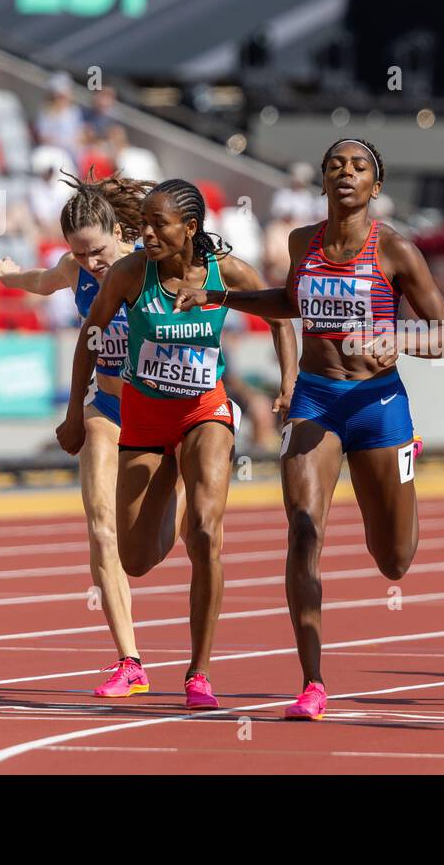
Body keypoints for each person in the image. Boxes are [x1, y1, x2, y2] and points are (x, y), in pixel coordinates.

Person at [174, 138, 444, 720]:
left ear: (375, 188)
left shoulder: (397, 252)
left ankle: (406, 464)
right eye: (335, 167)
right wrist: (219, 296)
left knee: (394, 560)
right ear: (324, 182)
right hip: (316, 400)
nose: (345, 174)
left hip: (379, 405)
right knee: (304, 531)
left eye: (358, 168)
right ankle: (312, 681)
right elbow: (286, 301)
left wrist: (401, 339)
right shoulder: (301, 243)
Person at [58, 178, 297, 709]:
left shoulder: (224, 272)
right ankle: (177, 484)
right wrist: (76, 412)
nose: (145, 233)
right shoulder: (128, 274)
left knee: (207, 534)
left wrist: (289, 382)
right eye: (141, 223)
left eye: (156, 225)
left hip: (202, 411)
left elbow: (279, 308)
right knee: (137, 558)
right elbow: (89, 338)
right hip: (144, 420)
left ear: (189, 228)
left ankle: (198, 673)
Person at [0, 172, 161, 696]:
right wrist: (10, 276)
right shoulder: (74, 268)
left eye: (98, 251)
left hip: (159, 408)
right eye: (81, 255)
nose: (93, 264)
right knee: (100, 525)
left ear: (118, 231)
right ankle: (130, 660)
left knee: (163, 538)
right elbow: (44, 281)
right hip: (105, 405)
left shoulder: (148, 262)